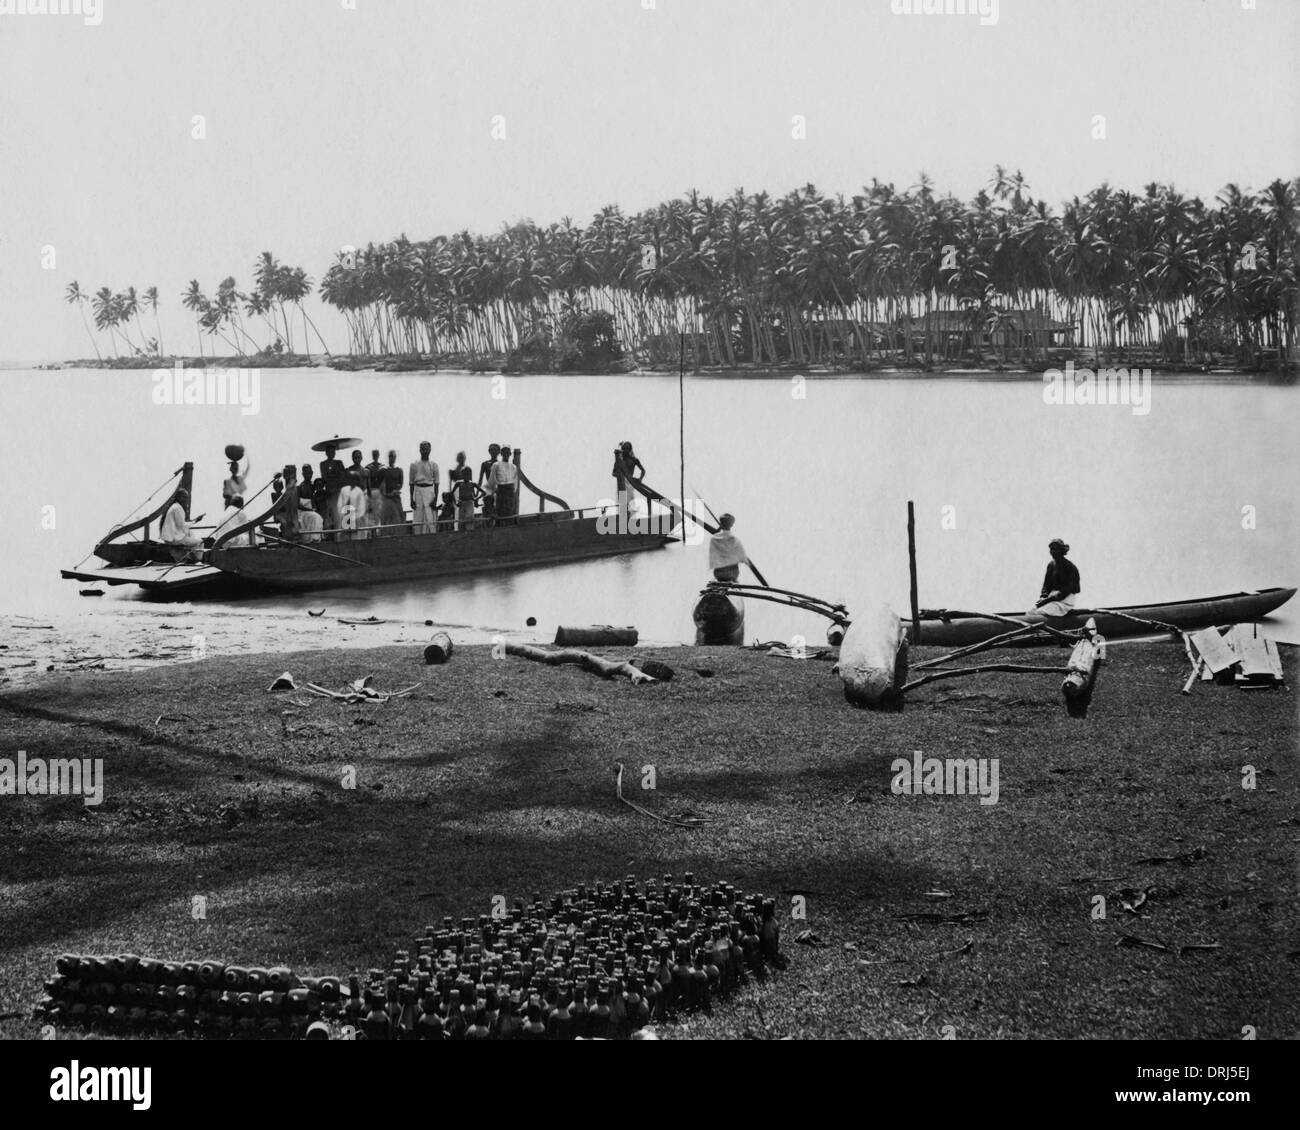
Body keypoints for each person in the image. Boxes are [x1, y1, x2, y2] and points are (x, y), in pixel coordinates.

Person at [1034, 538, 1081, 616]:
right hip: (1051, 599)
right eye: (1051, 549)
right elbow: (1046, 584)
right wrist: (1043, 596)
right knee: (1031, 611)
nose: (1053, 552)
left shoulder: (1070, 567)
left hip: (1065, 600)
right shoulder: (1051, 565)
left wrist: (1048, 600)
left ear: (1062, 551)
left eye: (1056, 549)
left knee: (1040, 613)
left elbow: (1067, 590)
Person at [161, 488, 203, 560]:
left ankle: (187, 558)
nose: (186, 500)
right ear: (178, 497)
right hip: (175, 539)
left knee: (190, 534)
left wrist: (194, 521)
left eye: (186, 498)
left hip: (169, 538)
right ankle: (198, 560)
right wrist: (196, 521)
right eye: (184, 497)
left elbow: (180, 525)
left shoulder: (174, 506)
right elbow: (181, 526)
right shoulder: (178, 508)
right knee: (201, 542)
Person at [708, 513, 750, 582]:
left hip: (718, 574)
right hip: (732, 573)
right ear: (732, 525)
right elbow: (743, 559)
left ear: (721, 524)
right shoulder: (734, 540)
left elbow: (712, 558)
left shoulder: (714, 539)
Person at [410, 441, 440, 534]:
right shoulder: (414, 465)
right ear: (420, 450)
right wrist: (411, 499)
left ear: (430, 450)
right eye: (423, 449)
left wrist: (435, 499)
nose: (425, 451)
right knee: (418, 518)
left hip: (430, 492)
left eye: (426, 449)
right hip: (418, 491)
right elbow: (411, 483)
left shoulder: (434, 465)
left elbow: (437, 484)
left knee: (430, 518)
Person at [490, 444, 519, 523]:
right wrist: (495, 492)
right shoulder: (496, 465)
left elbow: (515, 482)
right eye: (504, 452)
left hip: (510, 493)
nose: (506, 454)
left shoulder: (513, 467)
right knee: (500, 514)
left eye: (508, 452)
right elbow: (492, 480)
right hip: (501, 491)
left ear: (510, 454)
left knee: (509, 514)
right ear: (501, 453)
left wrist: (512, 492)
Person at [450, 451, 479, 530]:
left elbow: (471, 484)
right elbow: (452, 487)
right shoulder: (454, 470)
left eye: (462, 457)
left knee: (469, 516)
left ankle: (469, 530)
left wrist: (475, 498)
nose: (461, 459)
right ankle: (457, 530)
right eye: (459, 457)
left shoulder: (468, 469)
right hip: (458, 493)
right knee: (457, 512)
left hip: (467, 494)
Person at [319, 444, 345, 530]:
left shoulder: (339, 463)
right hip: (329, 494)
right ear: (326, 453)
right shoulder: (323, 464)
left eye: (333, 452)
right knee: (331, 517)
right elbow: (324, 478)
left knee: (341, 515)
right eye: (329, 452)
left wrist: (334, 479)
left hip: (339, 492)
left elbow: (342, 477)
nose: (331, 454)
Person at [380, 449, 405, 529]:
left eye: (394, 456)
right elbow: (381, 486)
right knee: (386, 518)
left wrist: (396, 490)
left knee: (399, 516)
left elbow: (400, 484)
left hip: (396, 497)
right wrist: (387, 494)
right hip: (387, 498)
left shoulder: (399, 470)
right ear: (388, 457)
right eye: (390, 456)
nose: (392, 458)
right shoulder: (384, 470)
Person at [339, 472, 367, 538]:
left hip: (356, 518)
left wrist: (354, 517)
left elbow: (361, 506)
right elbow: (340, 504)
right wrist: (343, 514)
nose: (352, 481)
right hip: (345, 516)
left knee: (356, 536)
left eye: (354, 479)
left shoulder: (359, 491)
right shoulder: (344, 490)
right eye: (350, 479)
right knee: (345, 536)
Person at [478, 443, 501, 524]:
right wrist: (477, 493)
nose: (493, 451)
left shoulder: (500, 464)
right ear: (489, 451)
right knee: (488, 508)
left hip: (498, 488)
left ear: (499, 452)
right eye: (491, 449)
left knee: (498, 509)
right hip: (489, 488)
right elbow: (480, 479)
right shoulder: (485, 464)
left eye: (495, 450)